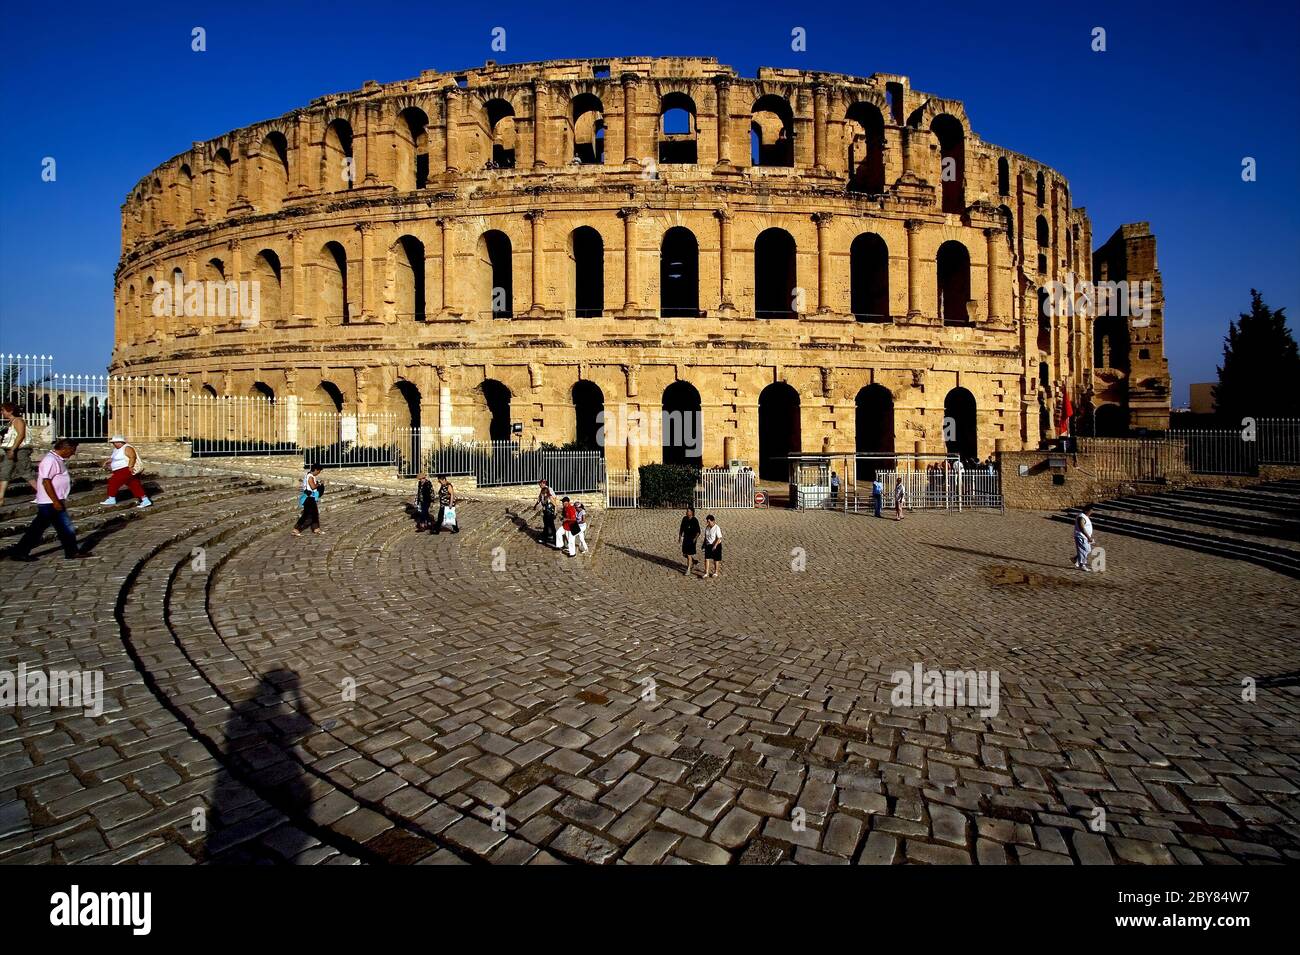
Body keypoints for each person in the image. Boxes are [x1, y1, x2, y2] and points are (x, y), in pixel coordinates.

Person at [7, 440, 91, 561]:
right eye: (72, 450)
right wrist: (55, 501)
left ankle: (20, 551)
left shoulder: (56, 459)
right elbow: (46, 481)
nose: (73, 453)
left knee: (48, 528)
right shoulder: (50, 460)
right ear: (65, 448)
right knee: (60, 528)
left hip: (53, 500)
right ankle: (20, 552)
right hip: (50, 502)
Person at [101, 435, 151, 509]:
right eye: (113, 443)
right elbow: (113, 458)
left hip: (125, 470)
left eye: (114, 442)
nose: (113, 444)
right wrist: (107, 462)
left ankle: (111, 498)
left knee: (113, 481)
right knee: (134, 484)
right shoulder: (116, 449)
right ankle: (145, 500)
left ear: (120, 442)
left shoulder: (127, 447)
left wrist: (130, 466)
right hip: (119, 470)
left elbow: (132, 457)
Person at [0, 402, 34, 501]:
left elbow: (21, 435)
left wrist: (13, 449)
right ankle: (1, 497)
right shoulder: (10, 422)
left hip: (19, 450)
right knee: (5, 473)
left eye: (3, 410)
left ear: (10, 410)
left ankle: (43, 493)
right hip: (10, 450)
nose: (2, 412)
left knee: (26, 472)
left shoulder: (18, 420)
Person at [293, 464, 325, 536]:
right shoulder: (310, 477)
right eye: (319, 471)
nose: (318, 473)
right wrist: (319, 483)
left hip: (310, 497)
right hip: (309, 498)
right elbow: (313, 487)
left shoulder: (309, 475)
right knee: (311, 514)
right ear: (316, 469)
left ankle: (315, 529)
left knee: (311, 514)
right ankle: (297, 529)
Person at [678, 506, 701, 577]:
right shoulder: (684, 519)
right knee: (684, 554)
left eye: (688, 511)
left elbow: (698, 531)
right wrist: (680, 536)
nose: (687, 512)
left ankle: (688, 569)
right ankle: (693, 561)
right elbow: (681, 528)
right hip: (686, 538)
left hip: (692, 539)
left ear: (692, 513)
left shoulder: (695, 520)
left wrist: (695, 539)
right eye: (687, 511)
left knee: (688, 554)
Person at [534, 480, 556, 546]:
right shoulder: (542, 490)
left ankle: (553, 538)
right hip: (545, 510)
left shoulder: (549, 489)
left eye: (540, 484)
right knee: (546, 524)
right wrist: (535, 505)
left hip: (549, 511)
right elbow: (539, 498)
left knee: (550, 525)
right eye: (539, 484)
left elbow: (554, 498)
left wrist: (554, 511)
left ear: (544, 483)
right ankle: (546, 537)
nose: (539, 485)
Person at [1074, 504, 1096, 571]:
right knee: (1084, 551)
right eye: (1090, 511)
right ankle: (1082, 565)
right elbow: (1082, 528)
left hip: (1085, 537)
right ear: (1086, 510)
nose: (1091, 512)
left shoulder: (1085, 516)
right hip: (1081, 537)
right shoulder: (1081, 517)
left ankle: (1075, 559)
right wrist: (1088, 537)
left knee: (1087, 550)